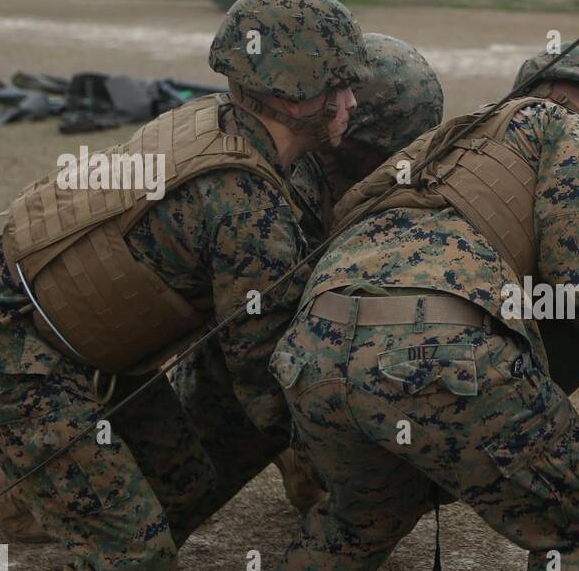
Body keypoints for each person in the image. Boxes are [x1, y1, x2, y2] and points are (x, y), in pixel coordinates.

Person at [0, 0, 368, 571]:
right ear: (292, 98)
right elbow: (263, 378)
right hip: (11, 345)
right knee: (131, 553)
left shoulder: (212, 118)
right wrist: (346, 461)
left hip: (76, 334)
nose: (351, 103)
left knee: (184, 481)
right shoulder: (251, 214)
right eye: (338, 88)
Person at [224, 43, 579, 571]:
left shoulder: (442, 141)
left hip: (314, 347)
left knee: (359, 519)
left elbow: (346, 213)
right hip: (440, 348)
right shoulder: (575, 132)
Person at [169, 32, 446, 515]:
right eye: (381, 155)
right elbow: (253, 348)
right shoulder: (274, 188)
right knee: (178, 488)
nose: (389, 169)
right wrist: (316, 445)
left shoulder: (345, 173)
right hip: (210, 346)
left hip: (252, 336)